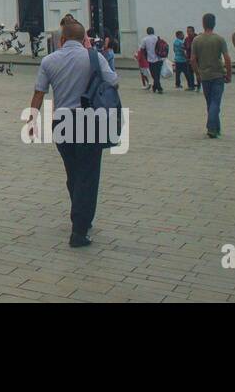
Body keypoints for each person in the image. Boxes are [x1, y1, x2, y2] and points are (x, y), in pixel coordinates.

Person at [27, 19, 118, 248]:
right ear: (83, 38)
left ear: (63, 39)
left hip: (61, 122)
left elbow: (39, 93)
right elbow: (113, 81)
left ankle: (79, 212)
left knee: (73, 172)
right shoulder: (93, 57)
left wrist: (31, 120)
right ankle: (79, 230)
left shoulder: (49, 60)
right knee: (88, 174)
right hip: (89, 120)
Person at [190, 12, 232, 138]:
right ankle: (212, 128)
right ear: (214, 24)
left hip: (205, 76)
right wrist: (229, 74)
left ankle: (216, 128)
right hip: (218, 74)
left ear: (203, 24)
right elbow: (227, 58)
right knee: (215, 103)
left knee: (210, 103)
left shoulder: (196, 40)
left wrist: (197, 73)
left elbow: (192, 59)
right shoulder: (219, 39)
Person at [140, 26, 164, 94]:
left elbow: (142, 49)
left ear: (147, 32)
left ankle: (158, 88)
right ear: (153, 31)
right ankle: (156, 86)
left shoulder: (145, 39)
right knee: (157, 74)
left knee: (153, 74)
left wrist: (143, 58)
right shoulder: (157, 38)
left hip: (150, 59)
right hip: (159, 59)